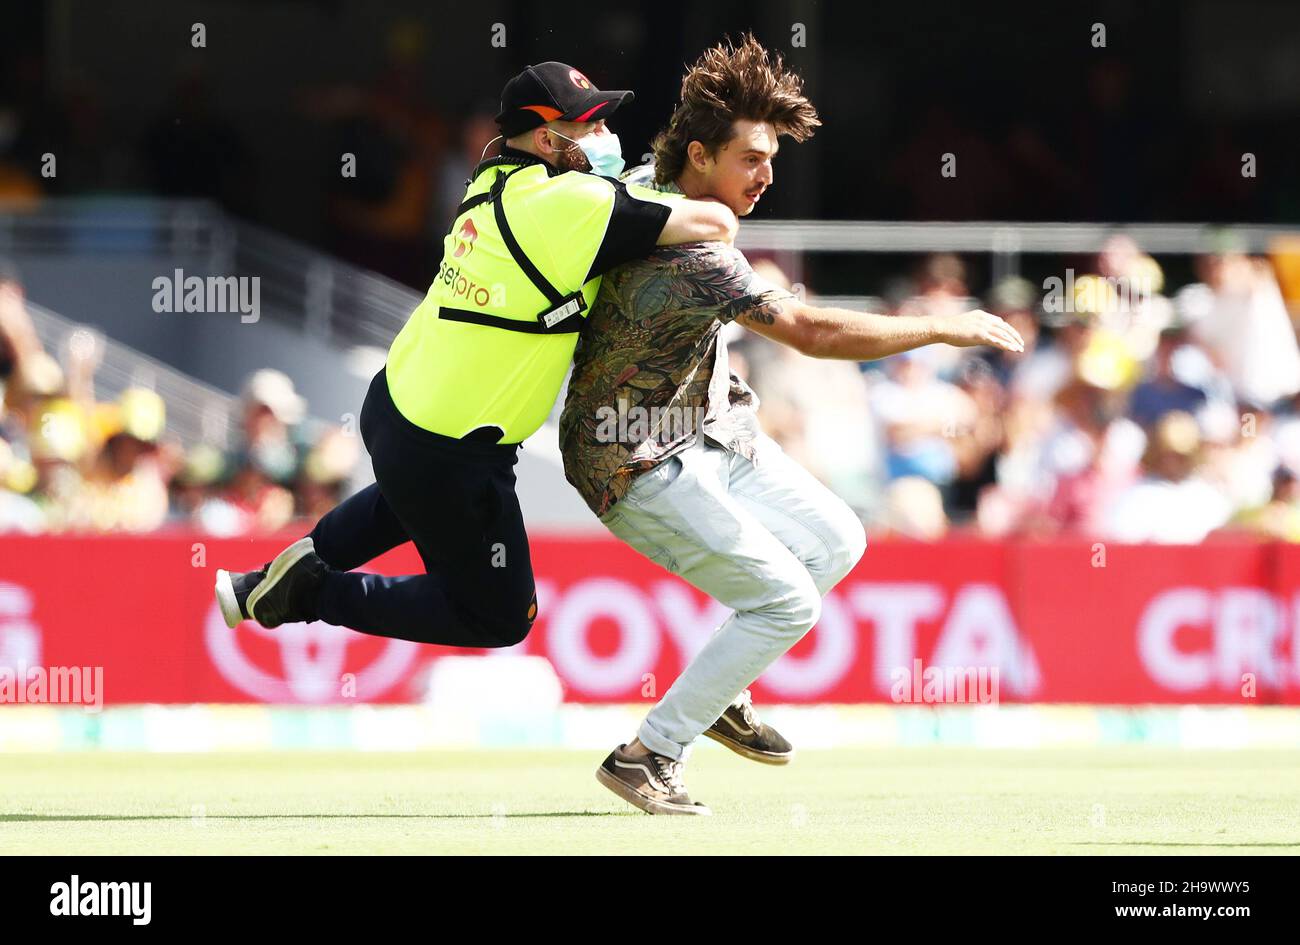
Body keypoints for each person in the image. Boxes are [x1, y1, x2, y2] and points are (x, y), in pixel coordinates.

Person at [559, 36, 1023, 815]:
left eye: (771, 156)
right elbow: (812, 333)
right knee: (787, 604)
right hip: (630, 458)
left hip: (707, 433)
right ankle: (650, 752)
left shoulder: (642, 183)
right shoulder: (693, 242)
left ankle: (718, 688)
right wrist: (940, 327)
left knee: (839, 539)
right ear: (699, 156)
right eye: (751, 159)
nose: (767, 175)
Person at [214, 63, 737, 654]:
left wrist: (625, 191)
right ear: (548, 140)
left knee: (411, 502)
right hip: (452, 444)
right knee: (501, 616)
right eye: (591, 126)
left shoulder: (492, 181)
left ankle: (281, 571)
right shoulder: (569, 203)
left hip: (400, 409)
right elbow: (717, 222)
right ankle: (308, 596)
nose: (606, 139)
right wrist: (641, 190)